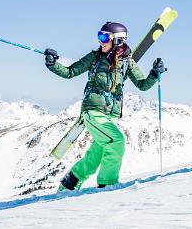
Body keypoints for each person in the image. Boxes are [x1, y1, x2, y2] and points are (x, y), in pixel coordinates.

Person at [44, 22, 165, 191]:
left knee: (96, 155)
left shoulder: (126, 62)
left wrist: (154, 73)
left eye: (105, 37)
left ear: (117, 40)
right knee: (117, 141)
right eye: (99, 36)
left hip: (112, 115)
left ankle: (67, 185)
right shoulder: (94, 57)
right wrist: (52, 64)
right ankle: (107, 185)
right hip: (93, 111)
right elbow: (69, 72)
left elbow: (142, 85)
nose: (101, 41)